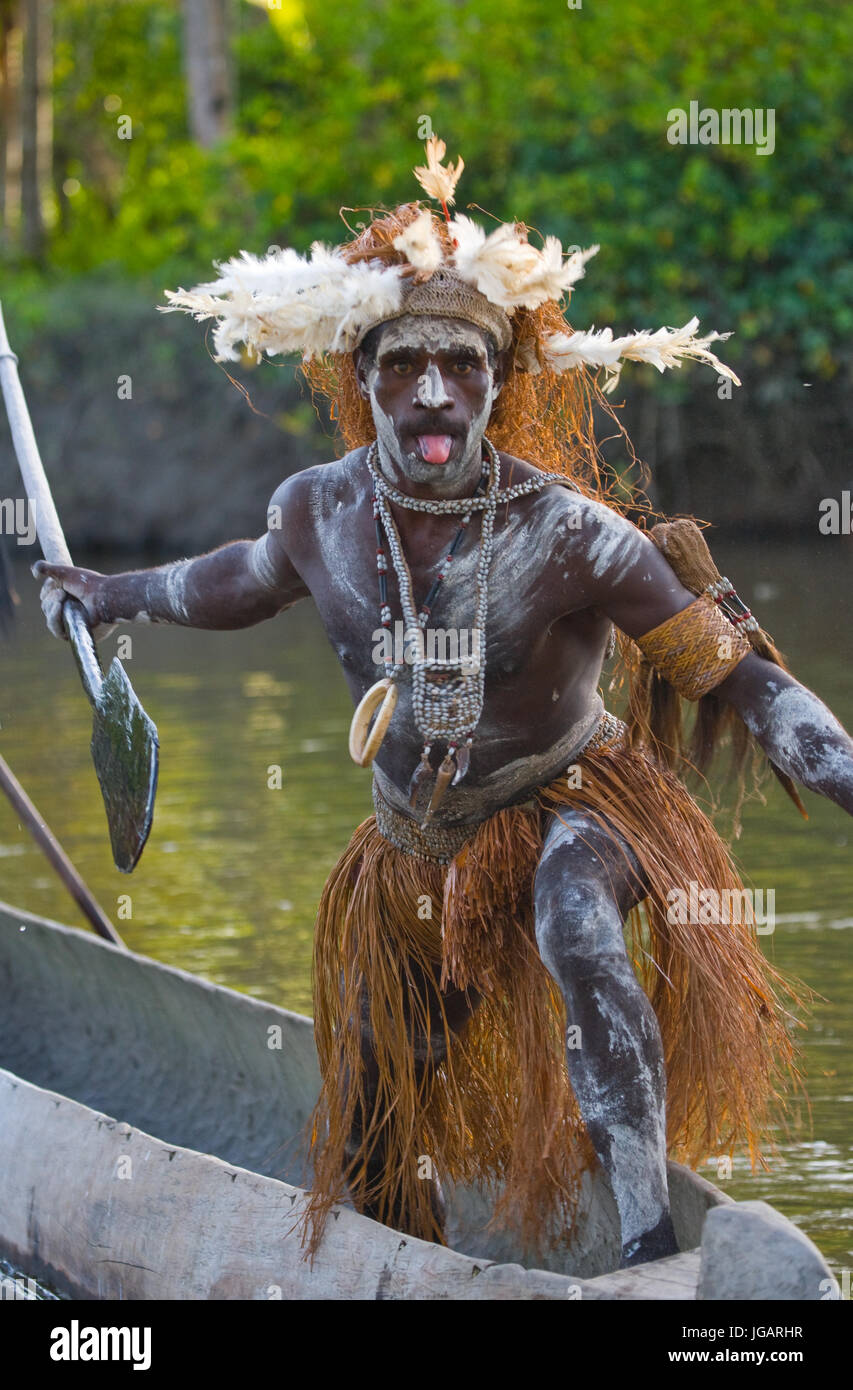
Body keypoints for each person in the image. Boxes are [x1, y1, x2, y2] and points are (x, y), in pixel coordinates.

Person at [33, 140, 853, 1269]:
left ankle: (648, 1245)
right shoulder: (318, 511)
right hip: (416, 844)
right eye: (404, 365)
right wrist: (111, 593)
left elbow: (737, 675)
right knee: (377, 1089)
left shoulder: (568, 531)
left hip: (574, 795)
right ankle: (390, 1253)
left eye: (461, 367)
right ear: (358, 377)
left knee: (572, 908)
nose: (431, 393)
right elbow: (232, 580)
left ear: (497, 383)